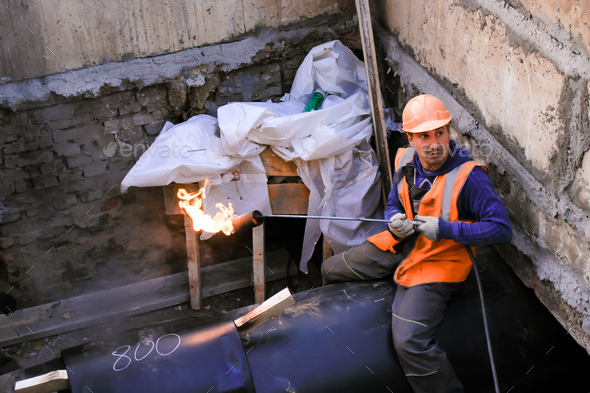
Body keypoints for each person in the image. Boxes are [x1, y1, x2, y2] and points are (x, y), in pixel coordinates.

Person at [321, 94, 512, 392]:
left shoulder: (470, 178)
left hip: (440, 260)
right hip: (405, 243)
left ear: (449, 131)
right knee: (330, 269)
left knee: (410, 342)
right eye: (424, 135)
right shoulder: (406, 160)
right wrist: (394, 219)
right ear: (410, 138)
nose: (434, 142)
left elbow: (501, 230)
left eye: (440, 132)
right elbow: (394, 201)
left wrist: (447, 229)